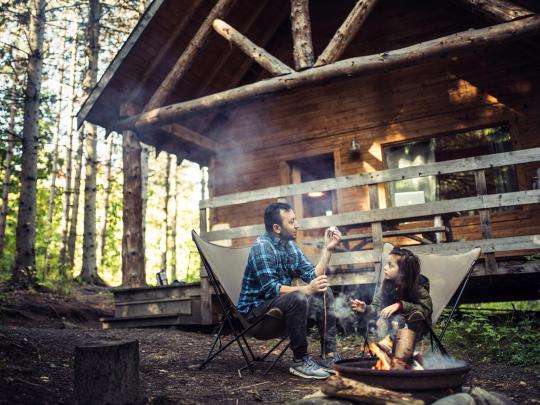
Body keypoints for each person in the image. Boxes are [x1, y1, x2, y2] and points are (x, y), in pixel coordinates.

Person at [237, 202, 342, 379]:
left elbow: (311, 274)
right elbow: (271, 289)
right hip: (258, 317)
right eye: (292, 221)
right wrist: (306, 289)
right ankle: (300, 360)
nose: (297, 225)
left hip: (280, 308)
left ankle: (328, 356)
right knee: (298, 297)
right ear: (277, 228)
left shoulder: (290, 246)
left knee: (324, 290)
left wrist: (328, 249)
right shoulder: (262, 247)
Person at [351, 247, 433, 341]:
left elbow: (426, 308)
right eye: (386, 264)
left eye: (390, 265)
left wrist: (400, 305)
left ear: (403, 272)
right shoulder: (387, 284)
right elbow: (377, 306)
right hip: (391, 325)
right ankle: (390, 350)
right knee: (384, 323)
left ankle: (399, 349)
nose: (385, 268)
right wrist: (366, 308)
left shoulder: (417, 286)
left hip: (416, 327)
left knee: (398, 320)